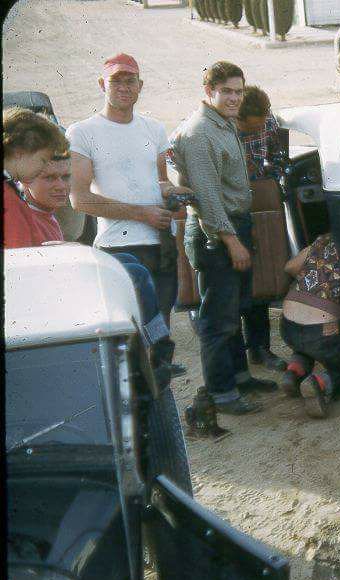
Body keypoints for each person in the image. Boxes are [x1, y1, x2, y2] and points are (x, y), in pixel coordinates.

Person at [66, 53, 190, 373]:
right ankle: (137, 403)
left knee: (160, 328)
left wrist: (173, 191)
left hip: (160, 242)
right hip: (118, 248)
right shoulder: (82, 132)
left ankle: (159, 394)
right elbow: (79, 199)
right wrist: (141, 214)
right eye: (115, 80)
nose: (123, 87)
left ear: (140, 86)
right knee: (131, 339)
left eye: (129, 80)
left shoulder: (154, 128)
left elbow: (160, 180)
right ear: (101, 85)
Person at [5, 146, 174, 379]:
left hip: (62, 280)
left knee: (129, 262)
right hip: (50, 300)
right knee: (134, 273)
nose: (61, 186)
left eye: (65, 177)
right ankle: (155, 347)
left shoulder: (45, 211)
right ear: (25, 181)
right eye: (49, 178)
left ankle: (154, 345)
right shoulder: (23, 215)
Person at [169, 61, 277, 417]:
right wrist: (231, 241)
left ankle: (239, 377)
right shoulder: (200, 132)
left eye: (238, 91)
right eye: (226, 91)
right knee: (217, 320)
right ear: (209, 92)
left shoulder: (224, 123)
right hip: (216, 234)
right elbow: (207, 196)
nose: (233, 98)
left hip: (233, 225)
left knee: (235, 308)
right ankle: (220, 392)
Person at [279, 234, 340, 418]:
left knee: (306, 347)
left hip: (288, 323)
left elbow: (290, 267)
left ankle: (294, 372)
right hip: (322, 330)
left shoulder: (323, 241)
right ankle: (319, 383)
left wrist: (315, 273)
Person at [234, 85, 288, 372]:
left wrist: (269, 176)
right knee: (233, 285)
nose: (254, 132)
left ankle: (261, 349)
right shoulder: (220, 124)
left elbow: (280, 157)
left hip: (260, 202)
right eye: (247, 129)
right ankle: (238, 359)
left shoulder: (269, 121)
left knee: (262, 277)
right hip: (228, 208)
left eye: (258, 127)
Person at [3, 107, 68, 246]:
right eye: (42, 160)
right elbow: (20, 258)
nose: (41, 168)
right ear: (19, 153)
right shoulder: (9, 200)